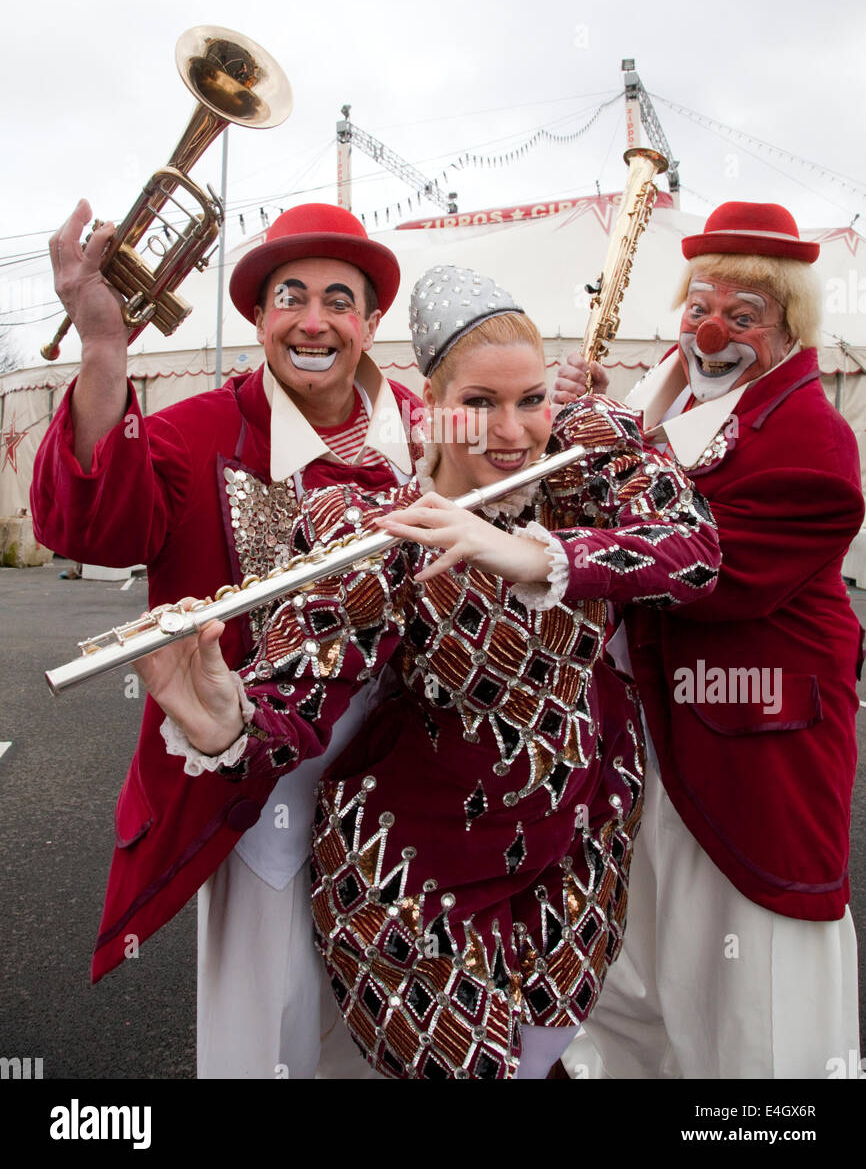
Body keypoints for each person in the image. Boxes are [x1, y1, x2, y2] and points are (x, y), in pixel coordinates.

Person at [135, 264, 722, 1079]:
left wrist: (533, 553)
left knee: (546, 1058)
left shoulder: (579, 459)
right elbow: (297, 699)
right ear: (434, 404)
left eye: (531, 400)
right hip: (415, 878)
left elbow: (695, 558)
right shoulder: (374, 527)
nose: (514, 432)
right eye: (479, 404)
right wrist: (225, 725)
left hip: (577, 849)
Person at [30, 200, 424, 1079]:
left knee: (400, 1029)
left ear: (371, 321)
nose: (314, 321)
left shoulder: (430, 433)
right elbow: (91, 524)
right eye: (291, 296)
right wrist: (104, 351)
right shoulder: (199, 430)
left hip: (412, 791)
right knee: (269, 1028)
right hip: (266, 796)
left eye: (338, 298)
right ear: (257, 316)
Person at [553, 200, 864, 1079]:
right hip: (647, 736)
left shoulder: (811, 435)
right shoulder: (676, 391)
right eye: (699, 306)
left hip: (752, 751)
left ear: (789, 327)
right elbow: (627, 463)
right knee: (639, 953)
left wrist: (607, 456)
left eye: (744, 314)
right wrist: (569, 411)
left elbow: (713, 577)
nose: (713, 329)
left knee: (753, 980)